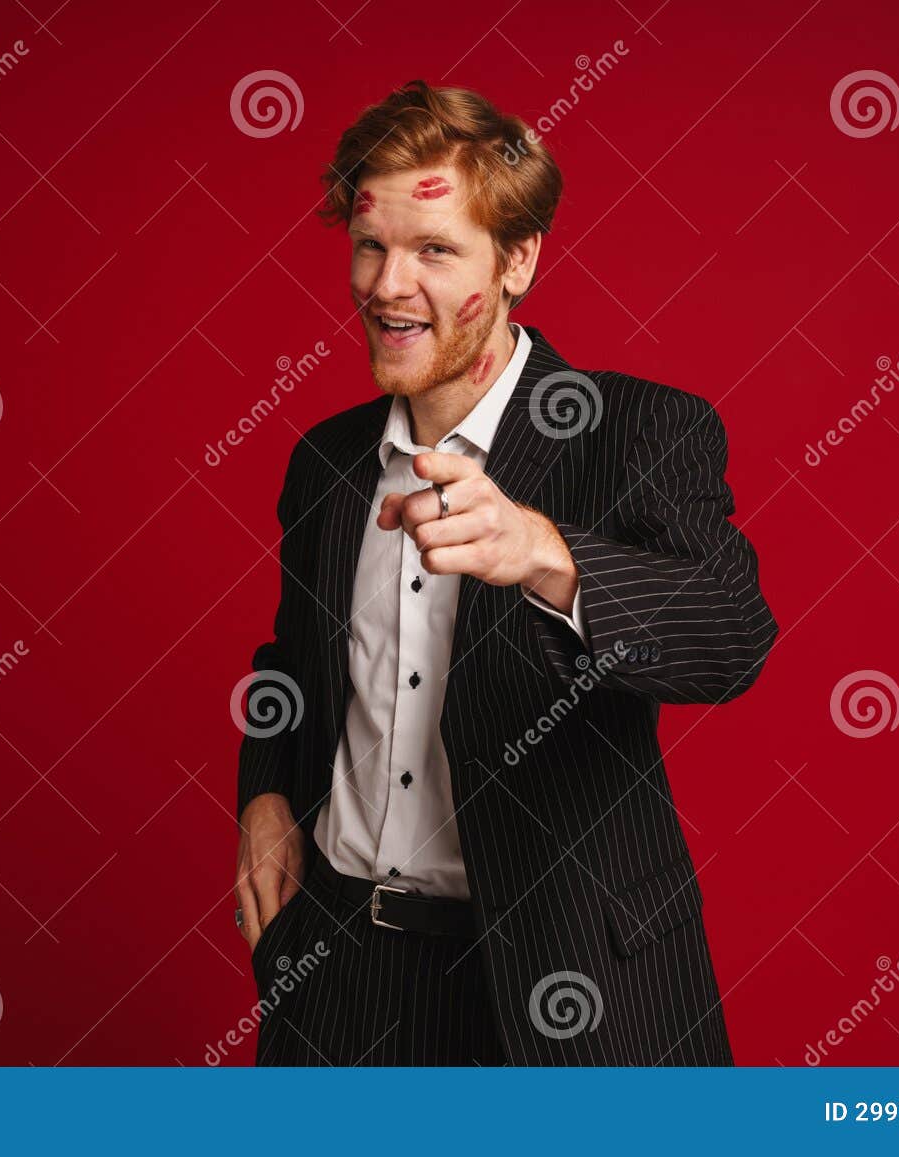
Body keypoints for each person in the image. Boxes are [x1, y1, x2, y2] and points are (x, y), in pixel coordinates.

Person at [233, 79, 777, 1065]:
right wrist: (265, 797)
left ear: (518, 258)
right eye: (371, 245)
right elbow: (293, 657)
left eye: (435, 250)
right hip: (342, 978)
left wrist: (542, 553)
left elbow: (730, 632)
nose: (388, 285)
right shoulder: (325, 461)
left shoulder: (638, 432)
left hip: (566, 985)